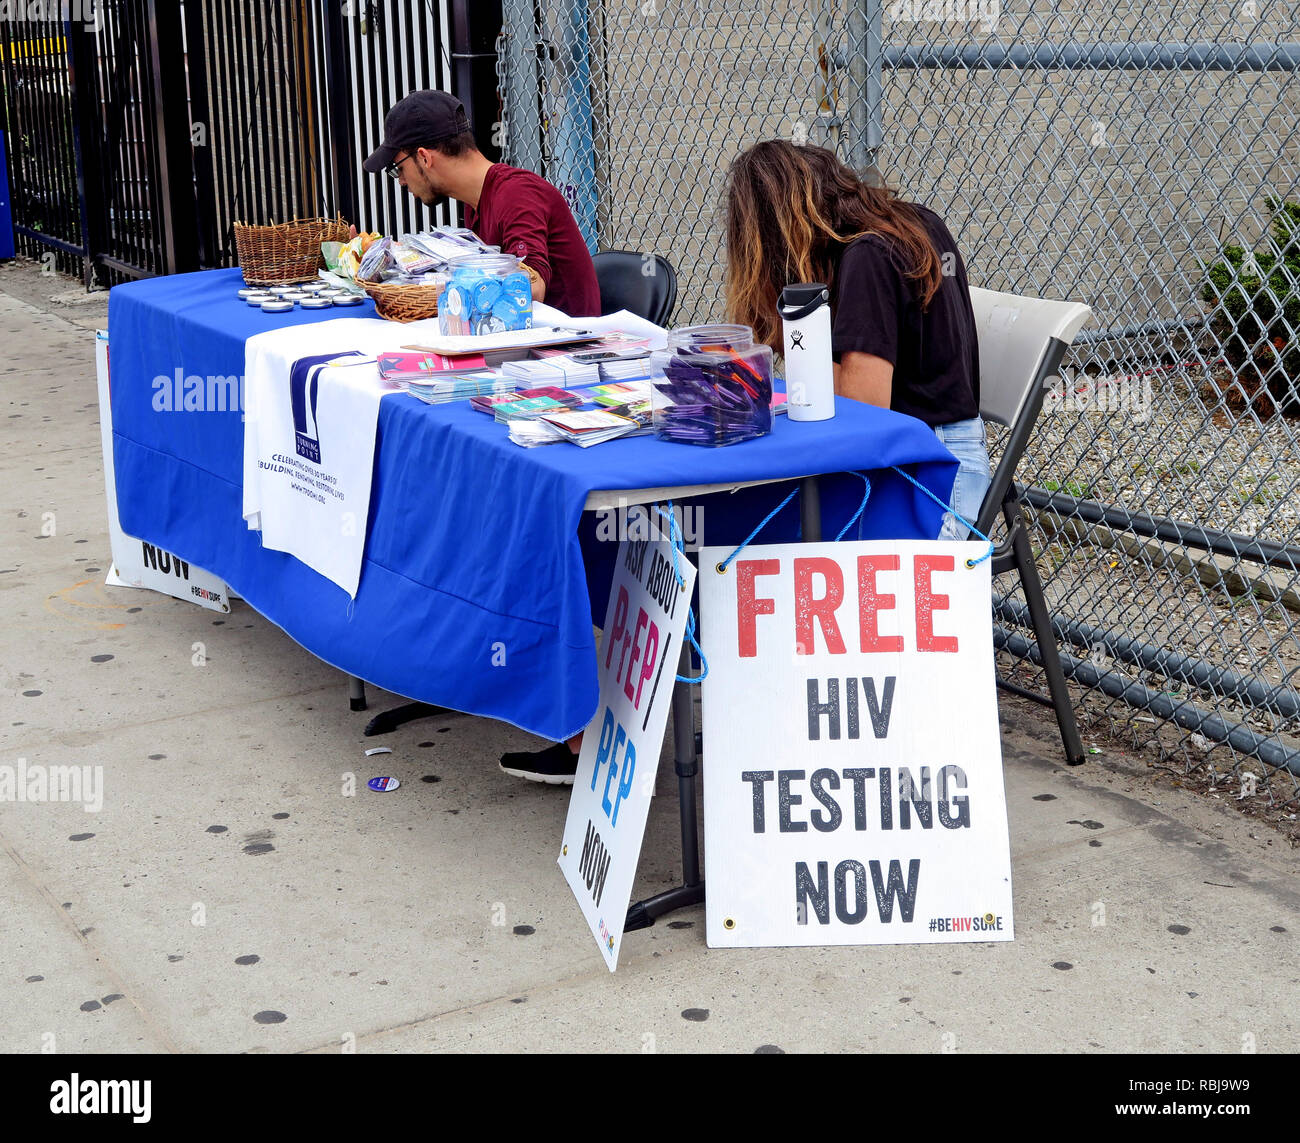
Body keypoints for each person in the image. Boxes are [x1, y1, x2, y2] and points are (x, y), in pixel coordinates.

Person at [724, 140, 991, 540]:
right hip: (931, 455)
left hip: (930, 475)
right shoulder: (913, 222)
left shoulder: (869, 255)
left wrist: (790, 335)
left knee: (757, 529)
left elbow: (866, 405)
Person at [363, 90, 601, 318]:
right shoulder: (476, 200)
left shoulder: (517, 194)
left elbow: (531, 288)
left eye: (398, 169)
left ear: (424, 157)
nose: (402, 181)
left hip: (565, 345)